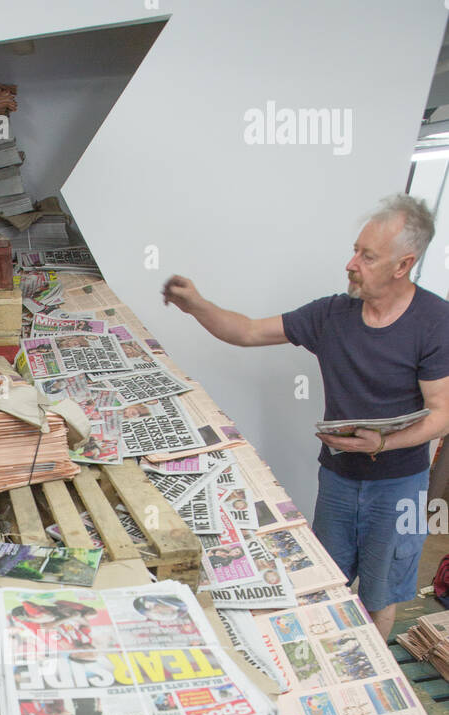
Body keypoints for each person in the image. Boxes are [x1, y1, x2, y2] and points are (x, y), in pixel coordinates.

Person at [162, 194, 449, 640]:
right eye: (355, 249)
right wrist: (196, 304)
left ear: (402, 265)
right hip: (337, 478)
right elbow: (249, 330)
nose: (351, 263)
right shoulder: (333, 313)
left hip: (399, 485)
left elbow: (443, 414)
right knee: (325, 583)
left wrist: (384, 443)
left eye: (367, 256)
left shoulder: (435, 322)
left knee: (379, 595)